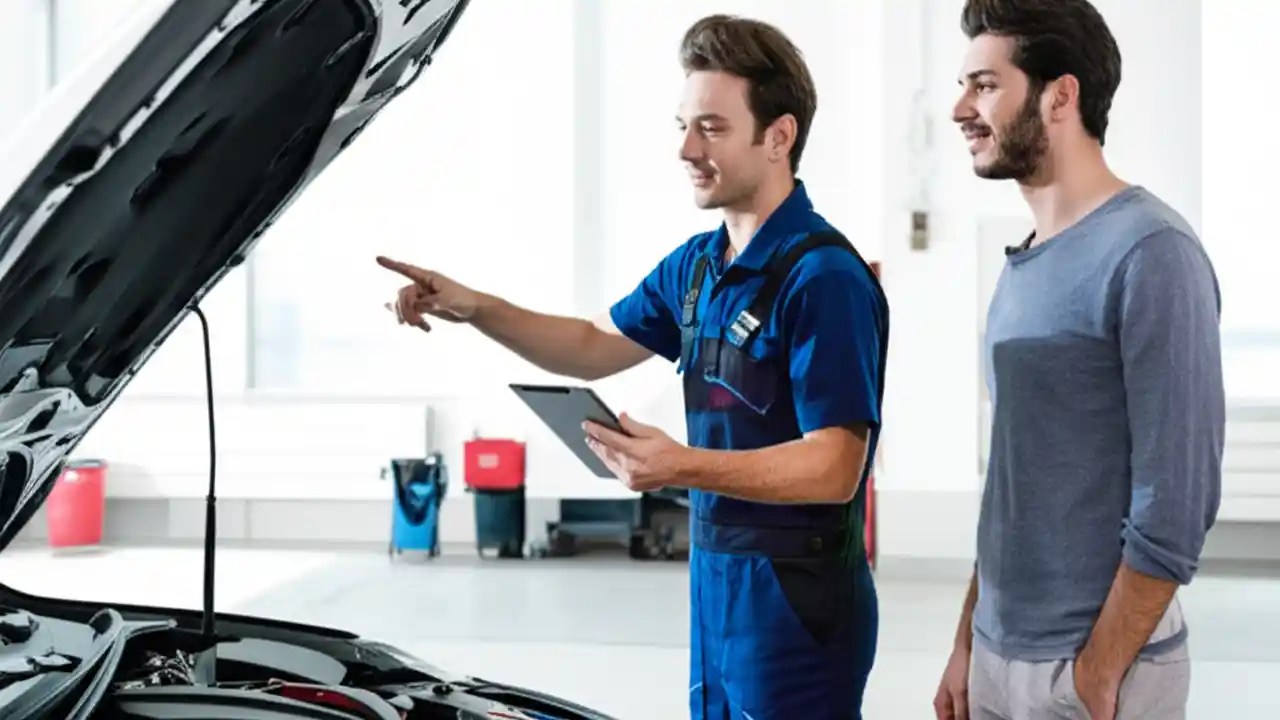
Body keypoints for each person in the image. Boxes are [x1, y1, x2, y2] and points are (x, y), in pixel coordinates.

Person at [377, 14, 887, 719]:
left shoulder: (824, 278)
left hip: (796, 600)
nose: (685, 147)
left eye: (710, 127)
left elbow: (836, 467)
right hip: (717, 582)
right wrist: (475, 307)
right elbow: (590, 341)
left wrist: (681, 466)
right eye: (682, 124)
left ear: (779, 136)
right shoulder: (699, 268)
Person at [933, 2, 1223, 719]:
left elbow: (1178, 499)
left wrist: (1099, 670)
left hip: (1092, 671)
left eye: (984, 84)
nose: (960, 108)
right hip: (999, 655)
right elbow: (1013, 480)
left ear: (1060, 96)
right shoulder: (1024, 261)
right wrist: (970, 638)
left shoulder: (1153, 253)